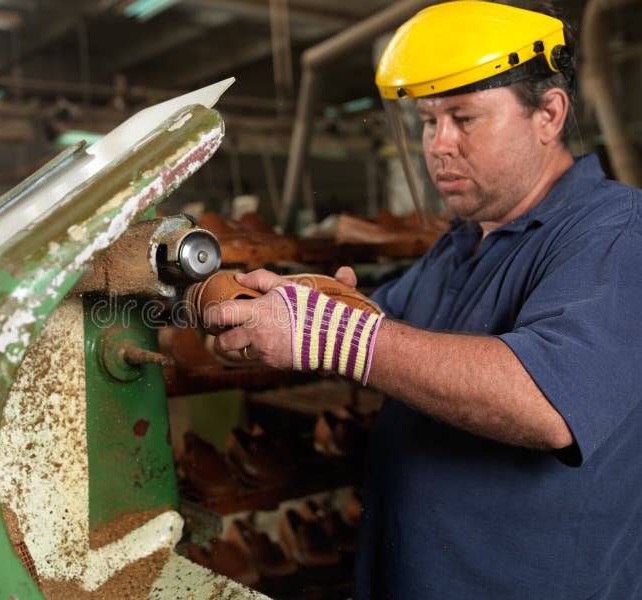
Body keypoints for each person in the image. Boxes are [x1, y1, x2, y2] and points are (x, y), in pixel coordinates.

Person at [203, 1, 642, 598]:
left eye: (463, 118)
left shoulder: (614, 235)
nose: (439, 145)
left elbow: (547, 403)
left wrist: (330, 333)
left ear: (549, 113)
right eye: (427, 123)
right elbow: (376, 327)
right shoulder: (461, 243)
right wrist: (282, 305)